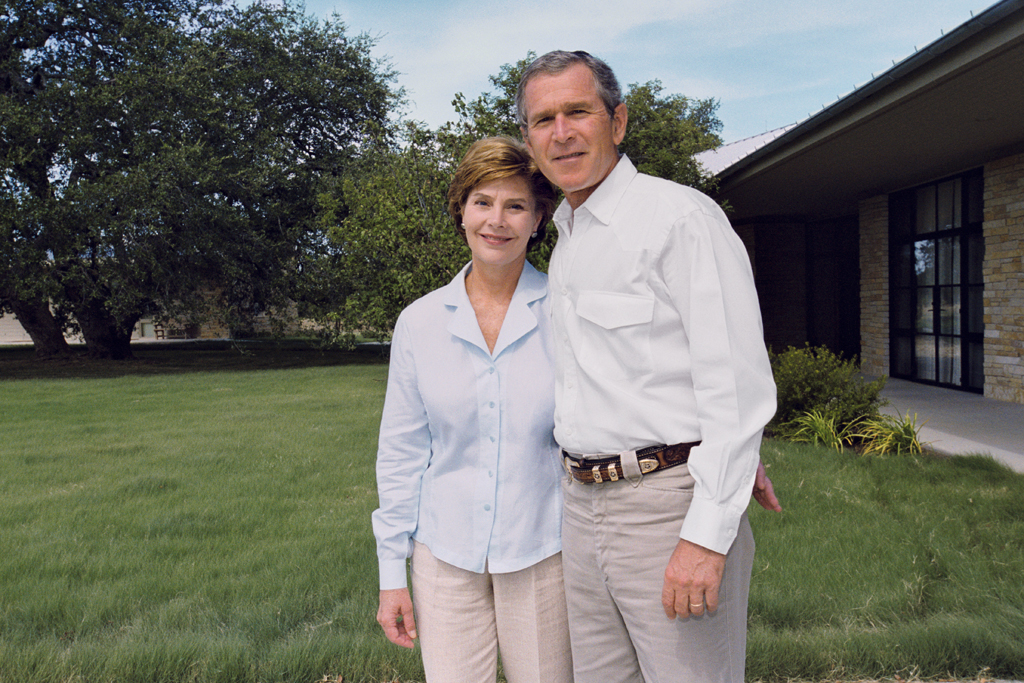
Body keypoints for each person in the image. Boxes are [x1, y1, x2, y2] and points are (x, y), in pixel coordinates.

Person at [516, 50, 780, 683]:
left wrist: (706, 532)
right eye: (543, 118)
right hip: (580, 510)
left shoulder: (680, 219)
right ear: (530, 139)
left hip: (666, 510)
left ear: (619, 121)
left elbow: (737, 385)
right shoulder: (569, 237)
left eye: (577, 111)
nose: (562, 131)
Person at [371, 137, 573, 683]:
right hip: (444, 556)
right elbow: (401, 453)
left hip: (544, 553)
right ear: (461, 210)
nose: (497, 221)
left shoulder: (566, 312)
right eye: (483, 202)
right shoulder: (420, 322)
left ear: (538, 220)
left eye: (516, 206)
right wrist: (393, 572)